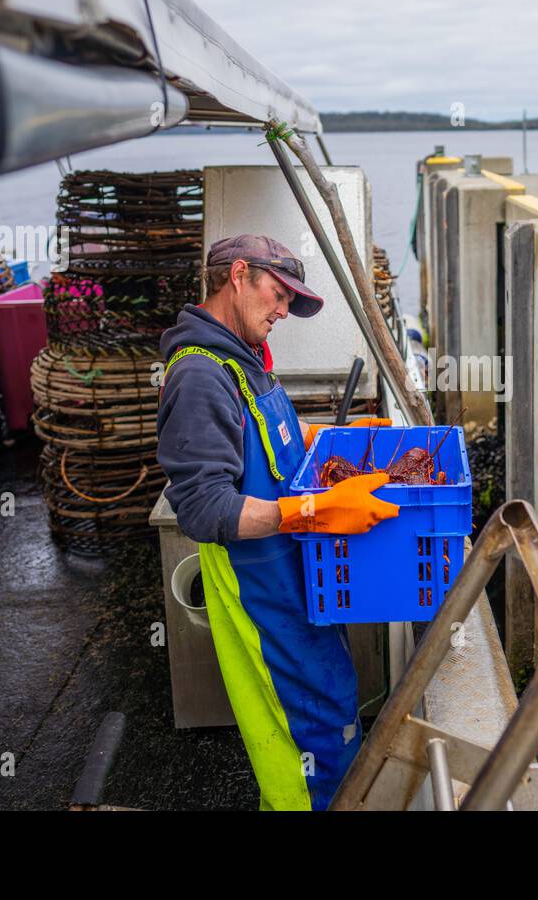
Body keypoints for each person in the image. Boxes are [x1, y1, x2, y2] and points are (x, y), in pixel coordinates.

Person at [156, 233, 398, 810]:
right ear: (238, 274)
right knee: (302, 747)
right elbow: (205, 508)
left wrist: (328, 437)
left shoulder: (243, 358)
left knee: (330, 711)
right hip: (261, 594)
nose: (284, 310)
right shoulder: (199, 375)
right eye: (278, 292)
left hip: (295, 583)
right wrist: (317, 508)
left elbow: (269, 451)